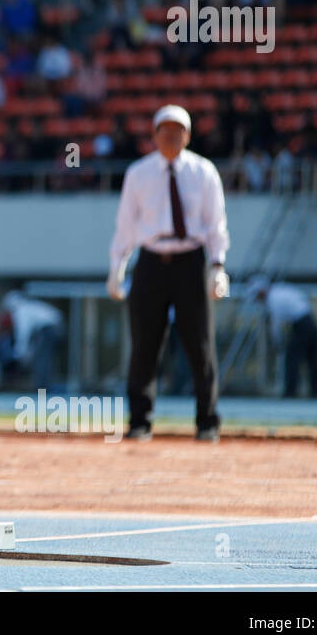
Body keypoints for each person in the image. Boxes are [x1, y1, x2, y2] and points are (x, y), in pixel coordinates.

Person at [107, 105, 230, 442]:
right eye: (165, 130)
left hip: (190, 261)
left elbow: (216, 223)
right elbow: (126, 225)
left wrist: (217, 265)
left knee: (200, 344)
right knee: (144, 344)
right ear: (155, 134)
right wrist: (117, 265)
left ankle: (207, 422)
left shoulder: (204, 172)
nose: (171, 136)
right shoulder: (138, 174)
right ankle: (140, 421)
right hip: (150, 261)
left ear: (188, 136)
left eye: (178, 131)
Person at [246, 276, 317, 398]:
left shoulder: (273, 299)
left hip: (302, 324)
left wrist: (277, 341)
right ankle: (315, 391)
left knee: (292, 358)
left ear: (261, 292)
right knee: (312, 358)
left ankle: (290, 391)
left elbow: (276, 324)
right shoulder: (280, 290)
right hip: (310, 320)